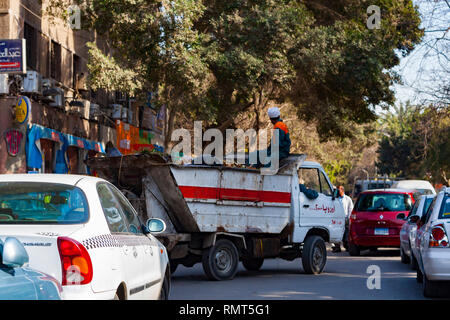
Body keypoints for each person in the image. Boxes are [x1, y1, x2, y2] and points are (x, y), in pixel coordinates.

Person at [331, 185, 354, 253]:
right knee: (337, 232)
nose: (338, 191)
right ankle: (337, 247)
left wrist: (349, 217)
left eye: (339, 190)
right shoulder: (335, 198)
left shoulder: (347, 199)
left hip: (345, 218)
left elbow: (350, 208)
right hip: (337, 219)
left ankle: (347, 246)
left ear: (342, 190)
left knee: (346, 233)